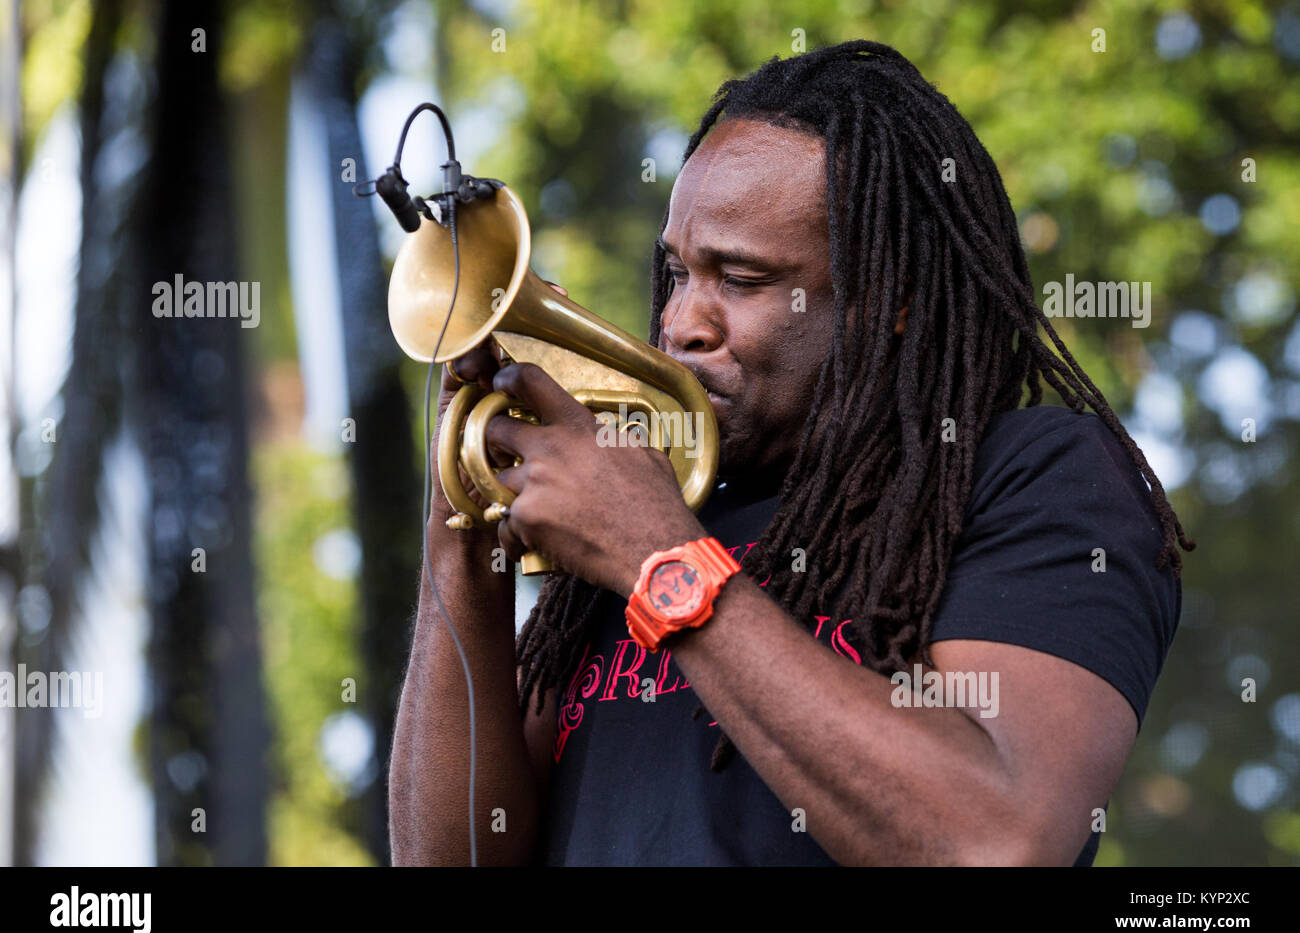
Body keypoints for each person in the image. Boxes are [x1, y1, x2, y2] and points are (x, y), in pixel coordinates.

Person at [387, 40, 1193, 866]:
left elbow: (996, 839)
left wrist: (654, 557)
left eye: (740, 280)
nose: (680, 324)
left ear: (894, 300)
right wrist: (463, 537)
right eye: (677, 273)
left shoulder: (1036, 476)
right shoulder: (653, 499)